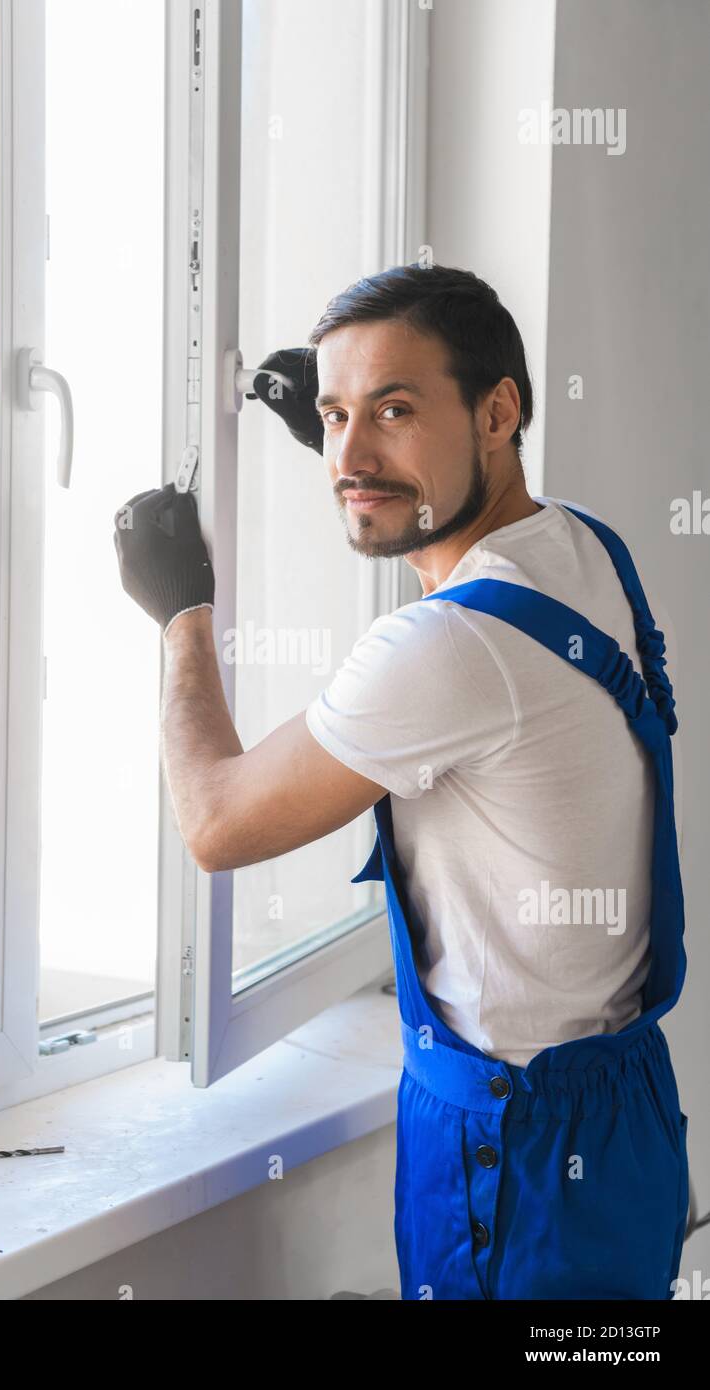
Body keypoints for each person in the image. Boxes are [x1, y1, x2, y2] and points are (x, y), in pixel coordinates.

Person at [113, 263, 689, 1300]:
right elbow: (433, 506)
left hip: (506, 1145)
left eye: (391, 409)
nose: (346, 455)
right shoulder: (581, 548)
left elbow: (214, 822)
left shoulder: (446, 647)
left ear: (498, 411)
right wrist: (376, 438)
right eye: (332, 416)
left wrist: (181, 614)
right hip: (623, 1117)